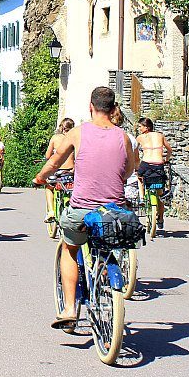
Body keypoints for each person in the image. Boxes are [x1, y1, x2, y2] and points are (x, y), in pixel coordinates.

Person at [34, 87, 136, 329]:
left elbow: (55, 161)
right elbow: (130, 170)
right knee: (111, 244)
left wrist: (40, 177)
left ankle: (69, 308)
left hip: (82, 208)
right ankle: (105, 276)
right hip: (115, 211)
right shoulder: (123, 137)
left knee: (69, 248)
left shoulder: (78, 133)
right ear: (113, 109)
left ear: (91, 107)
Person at [135, 117, 173, 231]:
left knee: (139, 177)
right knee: (160, 193)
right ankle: (160, 219)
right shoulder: (160, 136)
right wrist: (166, 158)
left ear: (146, 127)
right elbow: (169, 150)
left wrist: (136, 164)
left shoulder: (140, 138)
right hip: (158, 165)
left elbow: (134, 152)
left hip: (146, 164)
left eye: (140, 126)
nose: (139, 128)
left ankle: (141, 198)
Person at [43, 118, 76, 224]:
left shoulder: (55, 138)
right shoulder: (75, 138)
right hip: (71, 172)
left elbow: (48, 156)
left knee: (48, 186)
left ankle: (51, 212)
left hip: (58, 171)